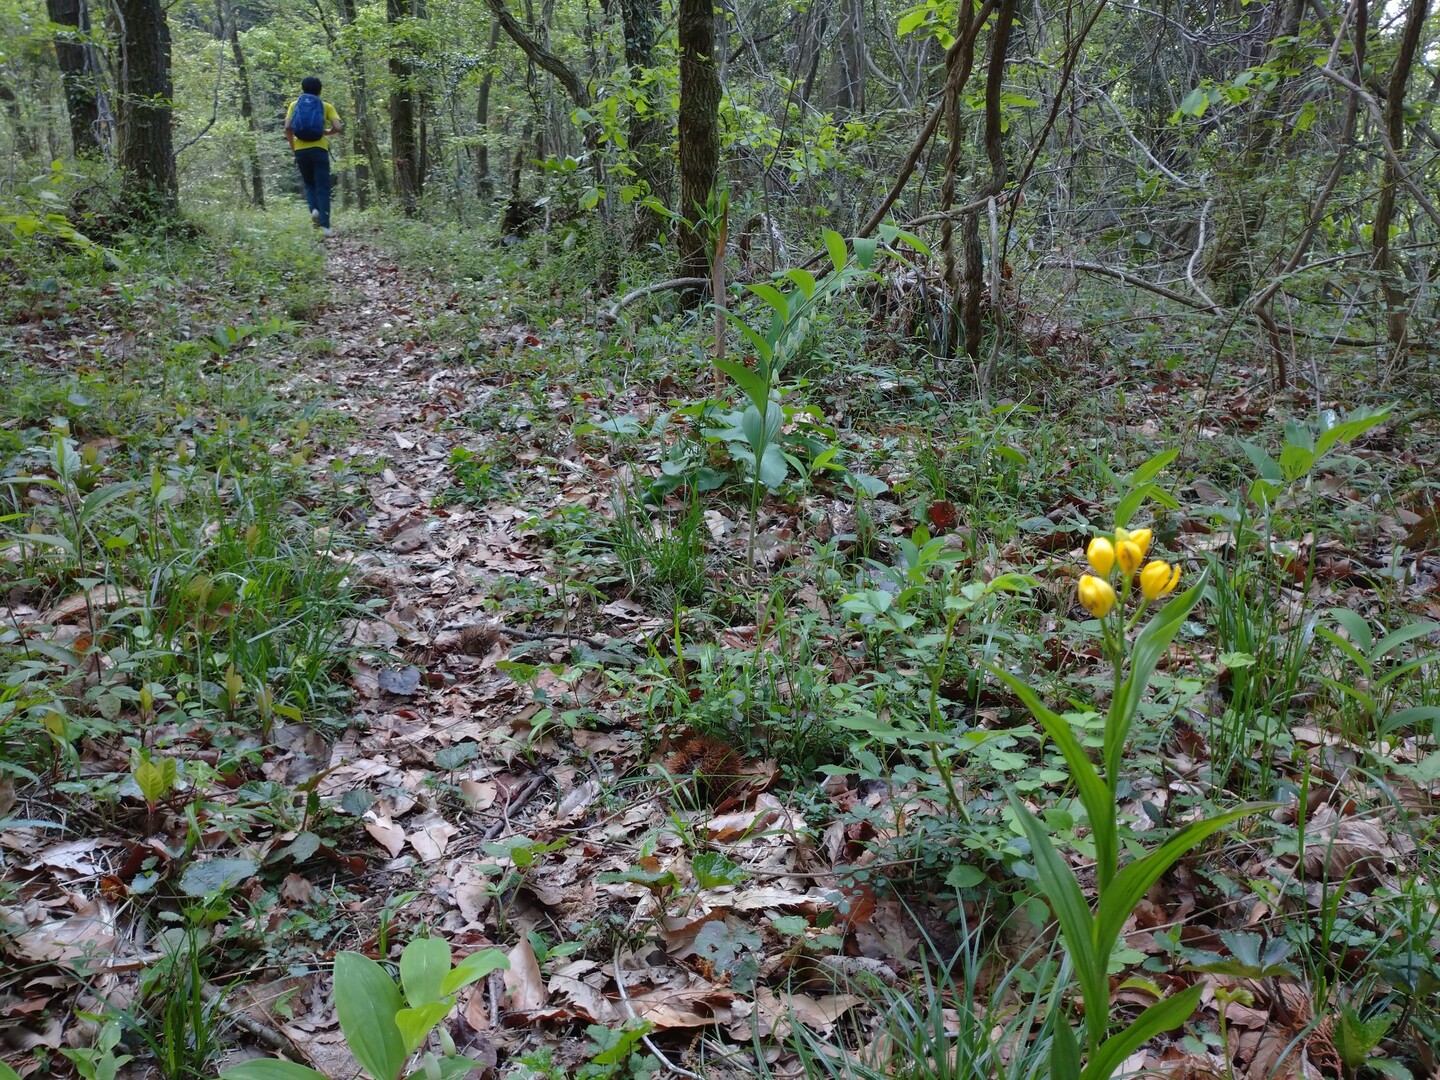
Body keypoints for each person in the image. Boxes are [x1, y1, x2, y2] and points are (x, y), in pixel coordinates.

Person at [284, 77, 342, 237]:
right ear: (320, 90)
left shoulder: (294, 105)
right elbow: (338, 127)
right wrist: (328, 132)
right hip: (319, 149)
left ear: (303, 89)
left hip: (301, 150)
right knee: (323, 187)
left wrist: (293, 147)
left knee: (309, 184)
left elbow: (288, 127)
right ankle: (326, 227)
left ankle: (314, 210)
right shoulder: (326, 106)